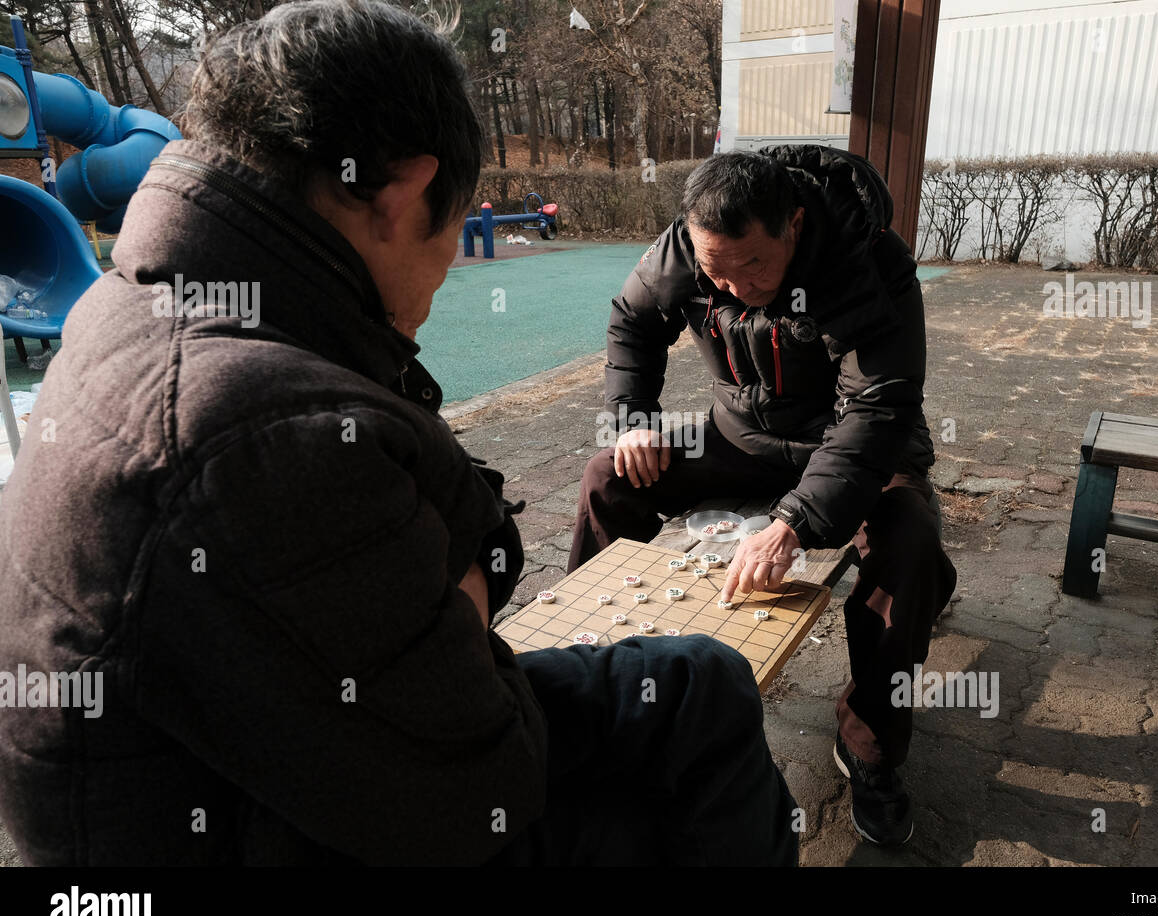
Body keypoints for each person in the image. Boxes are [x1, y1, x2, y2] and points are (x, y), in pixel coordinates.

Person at [0, 0, 796, 866]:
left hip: (194, 777)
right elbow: (479, 783)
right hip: (243, 826)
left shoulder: (127, 304)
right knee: (696, 704)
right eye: (453, 231)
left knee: (691, 685)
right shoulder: (268, 433)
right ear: (406, 192)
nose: (444, 275)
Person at [569, 147, 958, 846]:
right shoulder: (693, 245)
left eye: (751, 267)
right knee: (607, 475)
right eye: (713, 269)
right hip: (741, 436)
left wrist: (795, 523)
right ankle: (586, 676)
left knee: (909, 541)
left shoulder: (872, 262)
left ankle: (871, 740)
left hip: (857, 442)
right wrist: (634, 421)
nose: (730, 285)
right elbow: (631, 322)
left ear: (796, 226)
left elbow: (875, 410)